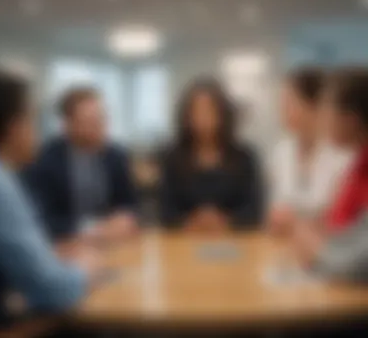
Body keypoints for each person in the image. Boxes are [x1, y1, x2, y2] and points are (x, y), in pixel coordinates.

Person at [0, 71, 99, 329]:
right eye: (33, 119)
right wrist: (85, 269)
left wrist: (46, 255)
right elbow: (52, 290)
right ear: (13, 126)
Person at [24, 87, 138, 243]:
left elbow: (130, 203)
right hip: (65, 246)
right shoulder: (45, 160)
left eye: (102, 119)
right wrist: (93, 229)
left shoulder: (116, 156)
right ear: (68, 124)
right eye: (91, 122)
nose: (100, 127)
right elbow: (42, 219)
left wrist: (126, 217)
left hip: (114, 244)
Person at [159, 76, 264, 232]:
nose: (203, 118)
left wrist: (224, 221)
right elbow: (165, 212)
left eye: (209, 110)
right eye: (196, 111)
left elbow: (254, 210)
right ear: (186, 117)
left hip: (236, 240)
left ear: (222, 114)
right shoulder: (172, 158)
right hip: (184, 240)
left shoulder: (244, 157)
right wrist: (192, 222)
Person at [294, 68, 368, 283]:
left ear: (350, 120)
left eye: (328, 110)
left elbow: (359, 262)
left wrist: (317, 252)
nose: (322, 119)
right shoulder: (359, 163)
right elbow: (354, 233)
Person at [267, 68, 353, 235]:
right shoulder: (281, 152)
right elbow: (275, 211)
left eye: (290, 102)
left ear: (314, 105)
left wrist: (298, 223)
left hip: (331, 248)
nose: (282, 109)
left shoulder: (342, 154)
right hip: (285, 245)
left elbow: (342, 220)